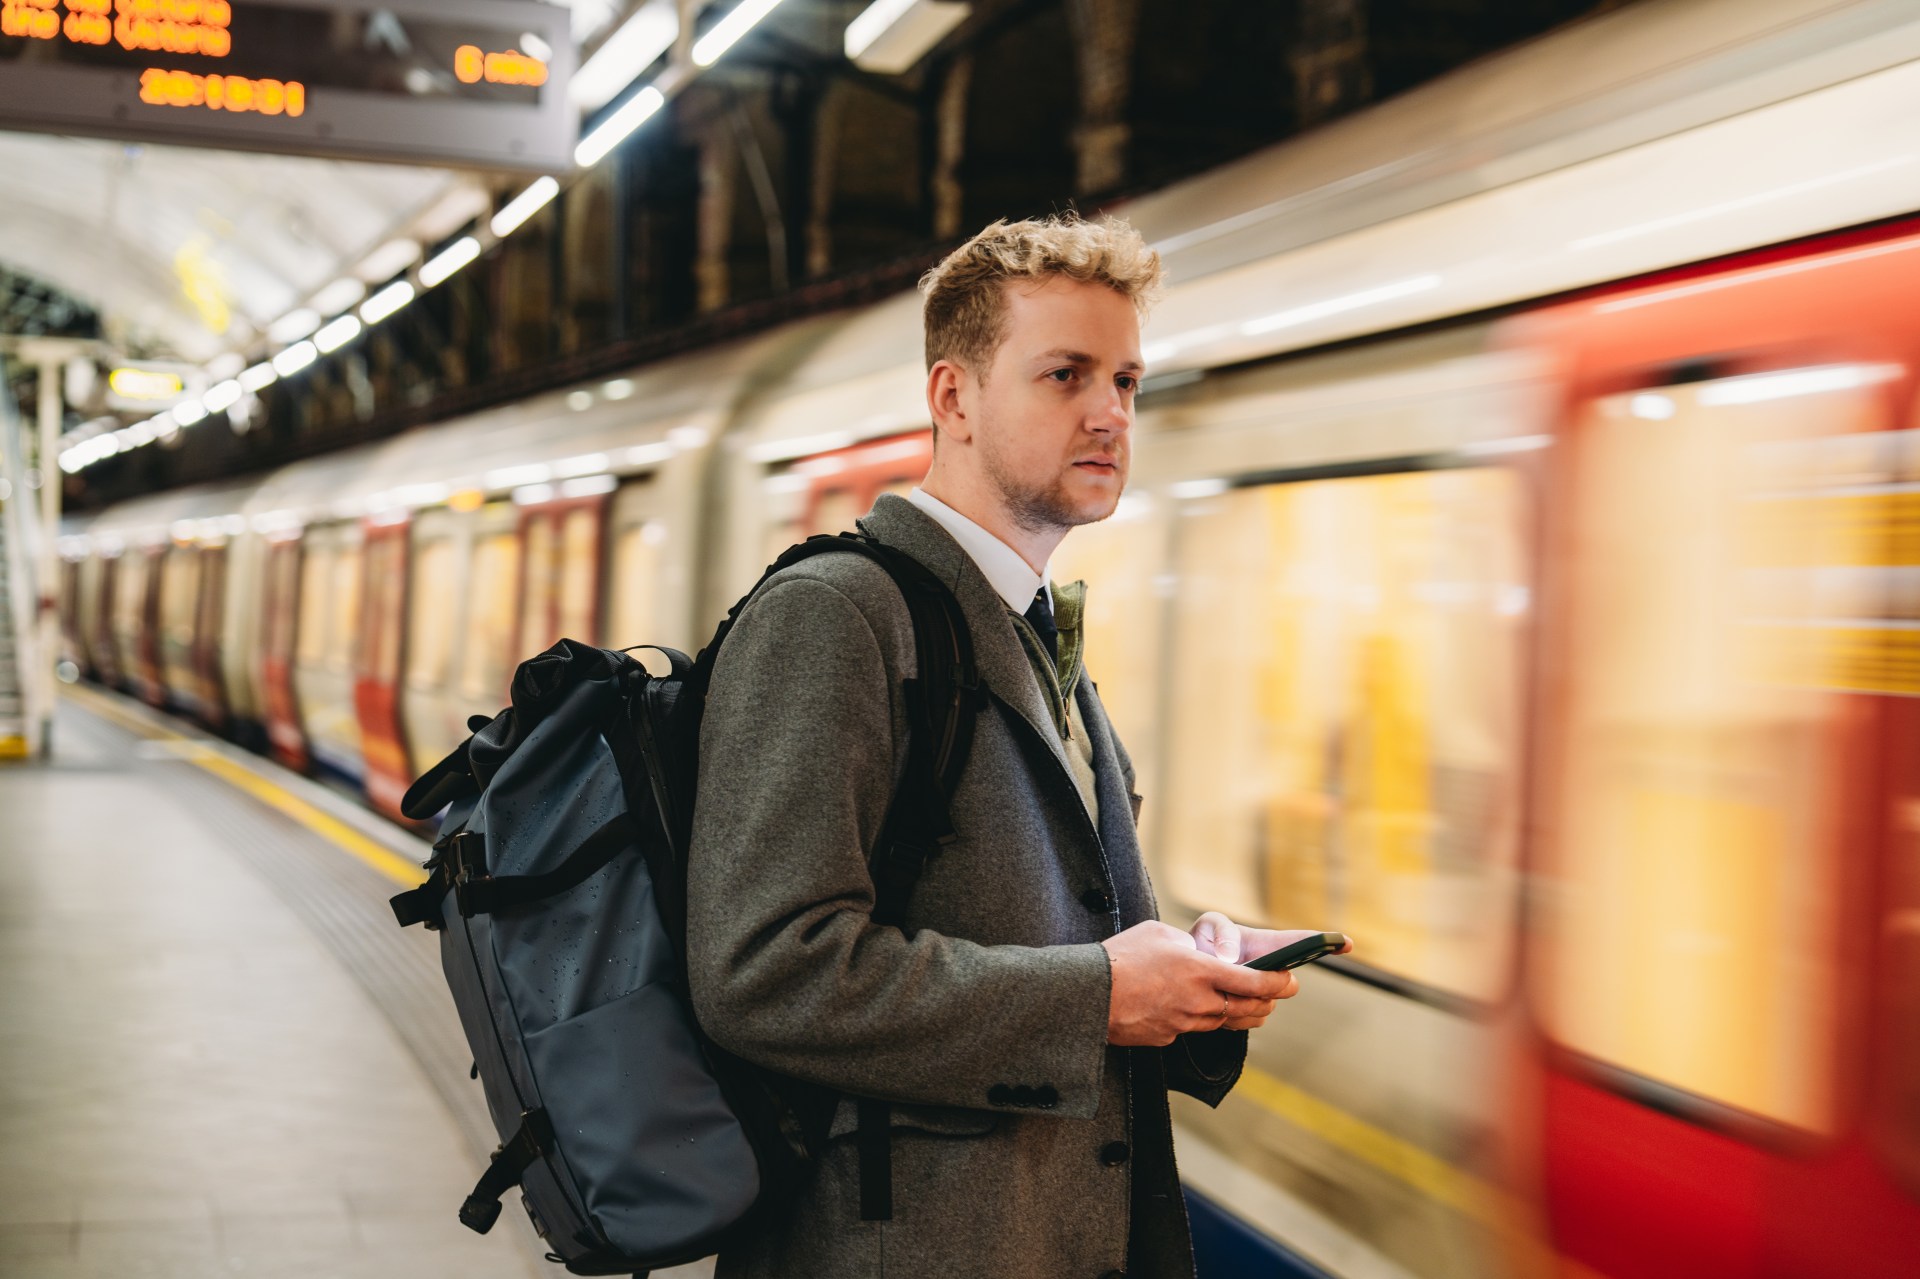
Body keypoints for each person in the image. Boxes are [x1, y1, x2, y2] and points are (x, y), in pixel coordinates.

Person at [687, 214, 1348, 1279]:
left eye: (1125, 381)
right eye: (1065, 375)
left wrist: (1188, 974)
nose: (1110, 413)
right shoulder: (837, 617)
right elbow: (761, 971)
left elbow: (1059, 936)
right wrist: (1100, 994)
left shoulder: (1030, 631)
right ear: (953, 398)